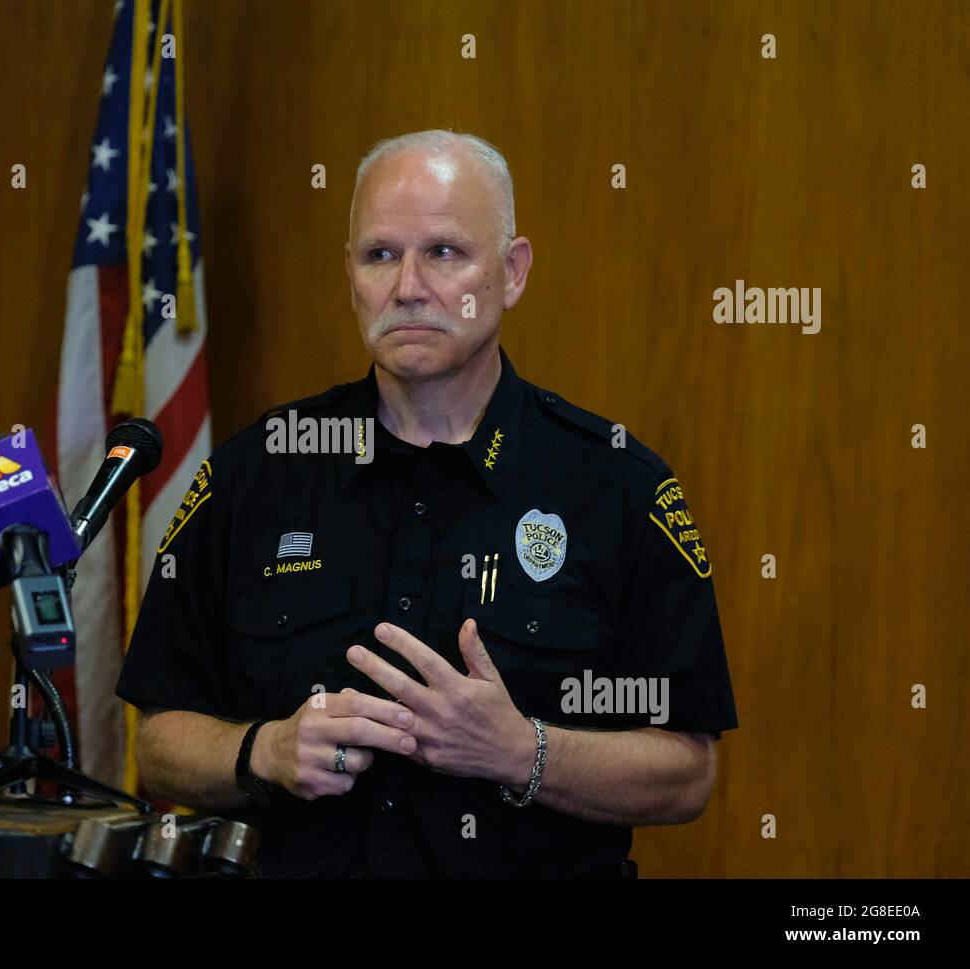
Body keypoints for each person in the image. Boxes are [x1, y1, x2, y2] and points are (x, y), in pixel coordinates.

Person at [116, 130, 738, 877]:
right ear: (349, 270)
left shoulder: (617, 489)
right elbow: (159, 737)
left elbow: (688, 770)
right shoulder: (257, 474)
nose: (408, 285)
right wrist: (266, 750)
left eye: (445, 253)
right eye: (380, 254)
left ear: (512, 273)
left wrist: (523, 751)